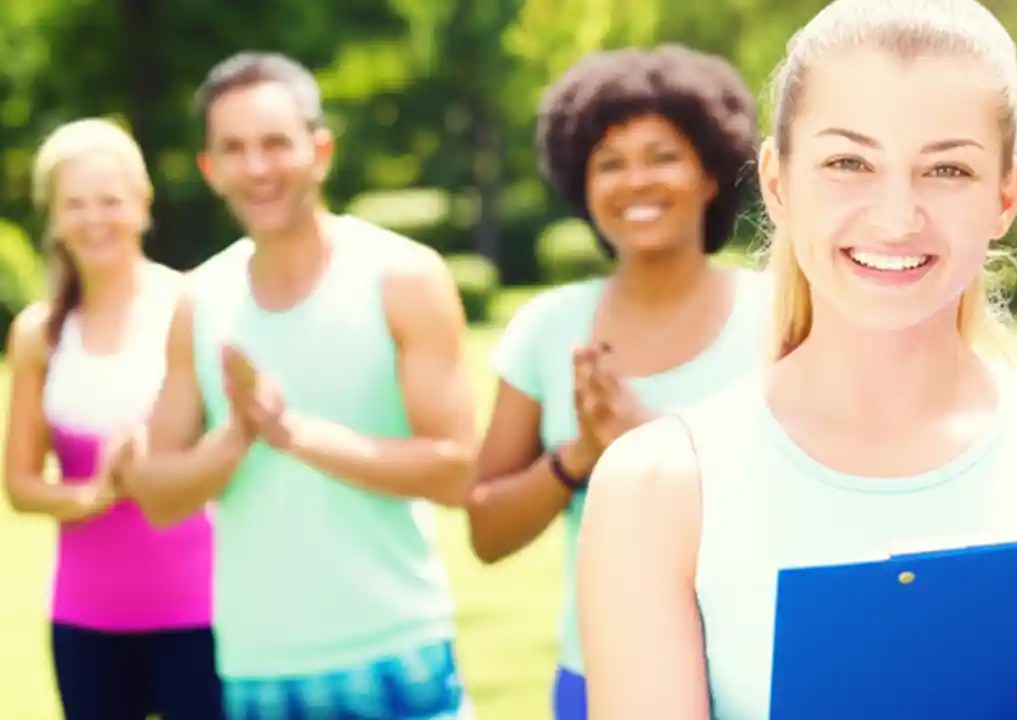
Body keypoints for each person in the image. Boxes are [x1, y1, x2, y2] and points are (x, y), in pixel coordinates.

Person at [575, 1, 1017, 718]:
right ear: (779, 181)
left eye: (946, 169)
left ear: (1006, 196)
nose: (896, 216)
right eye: (849, 161)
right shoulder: (660, 487)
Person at [117, 52, 478, 719]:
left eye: (275, 144)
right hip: (258, 670)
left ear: (320, 150)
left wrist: (296, 435)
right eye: (234, 149)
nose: (257, 168)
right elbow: (160, 497)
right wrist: (234, 440)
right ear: (209, 167)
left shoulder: (404, 278)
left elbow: (457, 470)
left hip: (397, 654)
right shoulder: (200, 300)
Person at [464, 44, 766, 719]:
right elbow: (486, 531)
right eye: (610, 163)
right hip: (600, 679)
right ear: (582, 185)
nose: (636, 182)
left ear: (712, 173)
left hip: (758, 671)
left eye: (663, 156)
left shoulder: (780, 318)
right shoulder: (548, 328)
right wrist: (580, 456)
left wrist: (647, 447)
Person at [2, 119, 221, 719]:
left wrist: (159, 469)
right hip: (85, 620)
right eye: (75, 204)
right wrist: (93, 494)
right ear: (53, 215)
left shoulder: (192, 305)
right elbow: (19, 485)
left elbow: (232, 448)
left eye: (110, 200)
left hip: (201, 611)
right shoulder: (39, 334)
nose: (94, 219)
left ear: (142, 203)